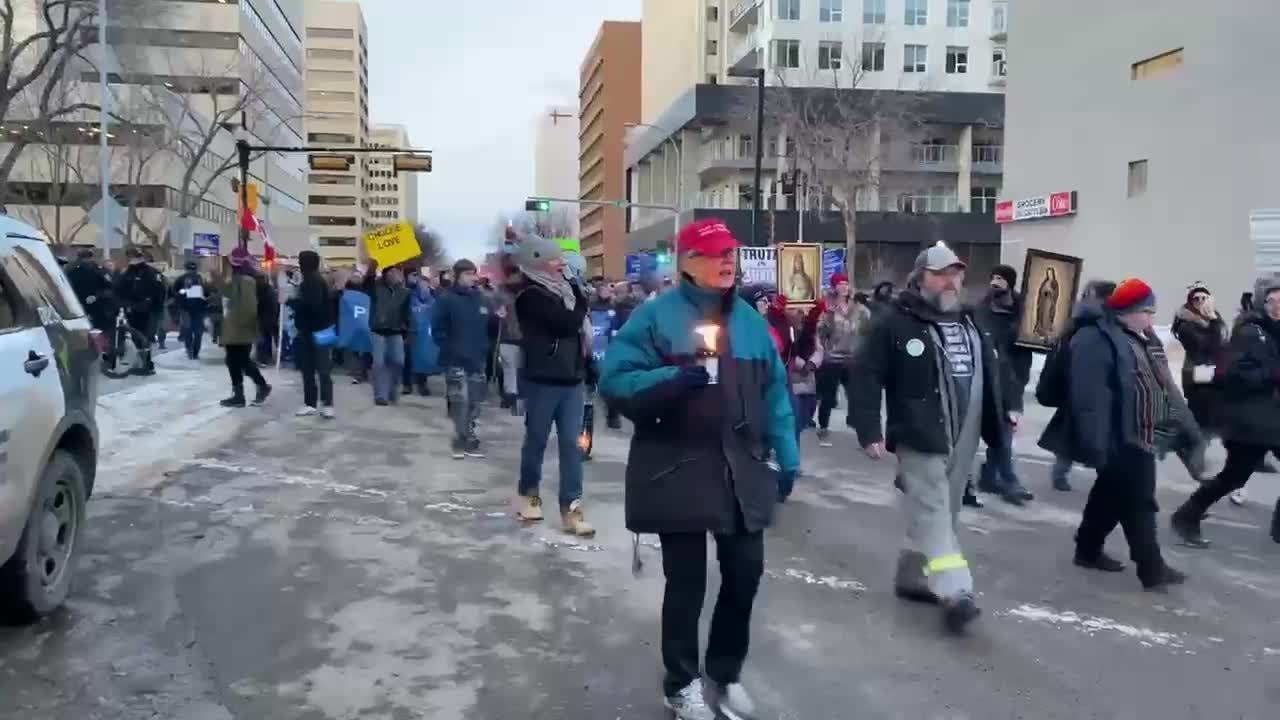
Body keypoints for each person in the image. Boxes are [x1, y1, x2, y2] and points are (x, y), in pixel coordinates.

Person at [599, 218, 798, 720]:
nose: (727, 261)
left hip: (742, 468)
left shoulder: (752, 323)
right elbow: (615, 379)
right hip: (678, 465)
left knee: (745, 572)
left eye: (730, 252)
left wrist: (787, 457)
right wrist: (673, 378)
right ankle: (681, 683)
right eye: (713, 253)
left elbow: (776, 394)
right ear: (687, 261)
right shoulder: (655, 318)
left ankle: (725, 675)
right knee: (686, 582)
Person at [850, 243, 1008, 632]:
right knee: (936, 512)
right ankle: (956, 591)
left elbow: (993, 370)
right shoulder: (894, 322)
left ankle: (911, 576)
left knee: (945, 511)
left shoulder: (971, 322)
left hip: (964, 433)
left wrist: (1008, 409)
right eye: (940, 274)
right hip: (919, 433)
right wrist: (868, 428)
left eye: (955, 274)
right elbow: (866, 375)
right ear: (920, 278)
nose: (950, 281)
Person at [1040, 277, 1186, 591]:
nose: (1152, 318)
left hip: (1139, 430)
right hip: (1119, 434)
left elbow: (1157, 381)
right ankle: (1151, 568)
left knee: (1109, 495)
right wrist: (1097, 444)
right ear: (1128, 311)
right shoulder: (1095, 338)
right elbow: (1089, 396)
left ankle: (1087, 549)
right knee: (1139, 501)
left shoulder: (1137, 335)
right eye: (1148, 311)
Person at [1171, 274, 1280, 547]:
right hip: (1250, 422)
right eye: (1273, 300)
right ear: (1261, 302)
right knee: (1233, 477)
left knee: (1233, 476)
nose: (1279, 306)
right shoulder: (1249, 332)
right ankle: (1187, 515)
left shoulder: (1272, 333)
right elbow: (1235, 376)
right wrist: (1274, 374)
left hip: (1270, 418)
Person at [511, 235, 595, 536]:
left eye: (561, 259)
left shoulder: (567, 292)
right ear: (538, 262)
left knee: (572, 446)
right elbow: (566, 324)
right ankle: (529, 494)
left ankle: (571, 508)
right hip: (542, 379)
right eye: (555, 259)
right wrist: (579, 295)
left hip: (572, 380)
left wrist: (588, 367)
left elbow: (579, 335)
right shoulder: (530, 296)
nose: (562, 264)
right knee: (536, 439)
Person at [1038, 280, 1117, 491]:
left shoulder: (1083, 318)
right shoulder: (1095, 321)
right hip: (1083, 385)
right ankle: (1071, 474)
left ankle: (1063, 474)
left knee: (1075, 435)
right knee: (1082, 434)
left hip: (1081, 385)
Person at [974, 264, 1035, 505]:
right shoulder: (982, 310)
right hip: (990, 379)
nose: (994, 283)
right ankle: (1009, 481)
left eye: (1000, 278)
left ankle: (989, 477)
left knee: (1002, 431)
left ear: (1010, 283)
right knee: (1002, 433)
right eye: (992, 277)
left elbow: (1034, 337)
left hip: (1015, 378)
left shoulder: (1024, 311)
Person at [433, 259, 490, 459]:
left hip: (477, 360)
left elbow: (487, 327)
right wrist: (451, 347)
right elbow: (437, 330)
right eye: (467, 274)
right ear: (457, 276)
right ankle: (459, 440)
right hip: (455, 360)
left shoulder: (481, 299)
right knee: (460, 401)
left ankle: (470, 438)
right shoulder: (446, 299)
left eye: (473, 274)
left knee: (474, 402)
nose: (472, 278)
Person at [815, 271, 870, 447]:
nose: (844, 286)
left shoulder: (857, 307)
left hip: (853, 358)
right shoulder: (828, 307)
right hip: (832, 358)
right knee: (828, 397)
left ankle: (859, 428)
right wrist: (828, 317)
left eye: (846, 283)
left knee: (857, 395)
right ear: (834, 286)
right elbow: (820, 331)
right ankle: (823, 428)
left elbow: (869, 325)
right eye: (840, 283)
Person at [219, 248, 271, 408]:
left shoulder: (246, 281)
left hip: (240, 328)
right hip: (237, 327)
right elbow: (228, 292)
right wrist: (217, 279)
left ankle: (258, 386)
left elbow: (248, 307)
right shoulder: (241, 280)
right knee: (234, 361)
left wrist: (243, 325)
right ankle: (240, 394)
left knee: (240, 361)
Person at [288, 250, 335, 418]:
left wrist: (291, 302)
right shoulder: (313, 280)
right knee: (314, 368)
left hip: (316, 330)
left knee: (317, 368)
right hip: (321, 329)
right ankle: (315, 404)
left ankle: (321, 404)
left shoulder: (312, 281)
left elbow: (311, 305)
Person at [362, 261, 412, 406]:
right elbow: (367, 282)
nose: (394, 274)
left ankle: (392, 390)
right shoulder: (376, 287)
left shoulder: (405, 292)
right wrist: (372, 266)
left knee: (398, 361)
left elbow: (407, 314)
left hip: (396, 331)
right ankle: (380, 395)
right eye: (391, 272)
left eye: (397, 271)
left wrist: (408, 332)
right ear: (385, 274)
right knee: (378, 363)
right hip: (378, 330)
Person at [113, 247, 166, 375]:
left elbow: (160, 292)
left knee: (146, 336)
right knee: (138, 336)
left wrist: (153, 306)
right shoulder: (127, 274)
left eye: (135, 256)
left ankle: (146, 363)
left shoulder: (152, 273)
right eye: (131, 256)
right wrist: (125, 305)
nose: (133, 259)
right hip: (133, 310)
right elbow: (118, 291)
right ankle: (143, 361)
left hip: (149, 311)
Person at [65, 248, 114, 332]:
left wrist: (96, 296)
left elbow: (111, 290)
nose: (85, 262)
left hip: (96, 309)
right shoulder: (72, 271)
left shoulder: (99, 271)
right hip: (81, 309)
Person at [172, 261, 209, 360]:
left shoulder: (197, 279)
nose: (192, 271)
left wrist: (181, 296)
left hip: (190, 309)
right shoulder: (199, 279)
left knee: (192, 331)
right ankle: (193, 351)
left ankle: (192, 351)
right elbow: (206, 293)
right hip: (193, 309)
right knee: (194, 331)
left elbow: (174, 292)